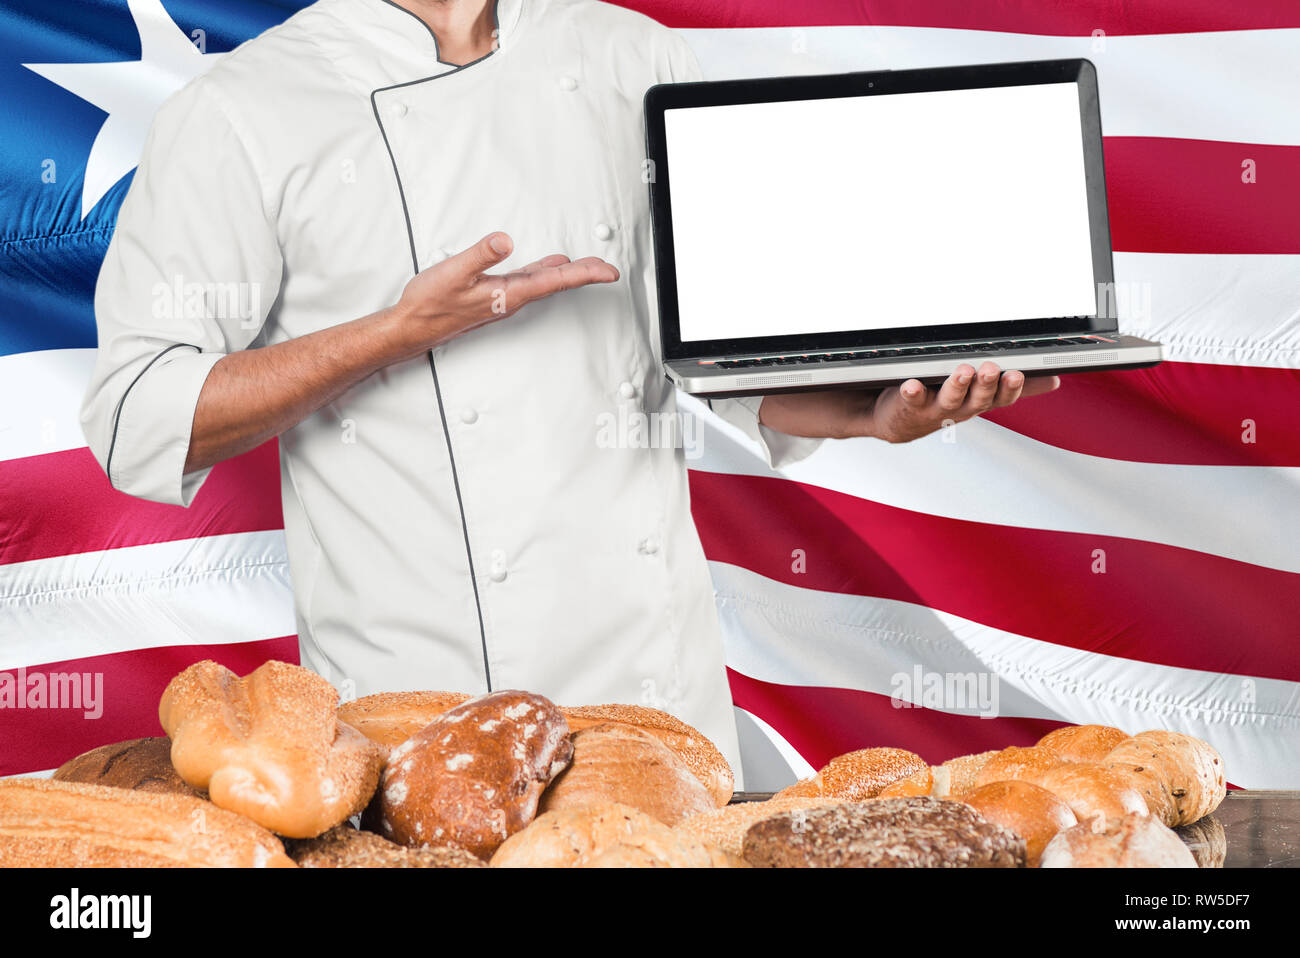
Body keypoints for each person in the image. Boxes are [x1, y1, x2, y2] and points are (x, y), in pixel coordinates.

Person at [80, 0, 1058, 779]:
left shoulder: (632, 55)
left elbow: (703, 351)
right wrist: (394, 333)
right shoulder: (243, 110)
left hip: (658, 716)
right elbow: (137, 414)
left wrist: (872, 412)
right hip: (415, 734)